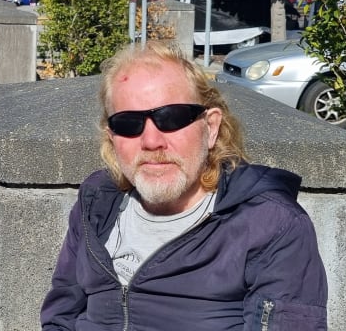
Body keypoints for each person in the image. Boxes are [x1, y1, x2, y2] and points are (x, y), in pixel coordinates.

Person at [41, 42, 328, 330]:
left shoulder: (271, 225)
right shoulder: (98, 202)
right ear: (111, 137)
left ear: (211, 127)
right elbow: (61, 315)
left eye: (171, 118)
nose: (152, 142)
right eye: (129, 123)